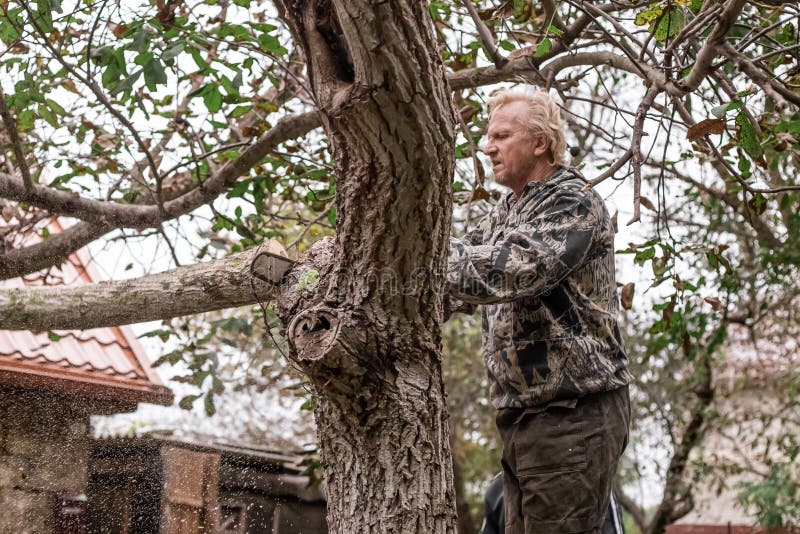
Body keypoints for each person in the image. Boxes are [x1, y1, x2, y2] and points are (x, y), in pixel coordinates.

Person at [448, 89, 632, 534]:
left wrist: (418, 263)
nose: (487, 147)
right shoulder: (508, 209)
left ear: (540, 142)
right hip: (524, 418)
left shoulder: (572, 201)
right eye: (487, 136)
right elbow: (458, 264)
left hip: (571, 415)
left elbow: (514, 269)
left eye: (501, 135)